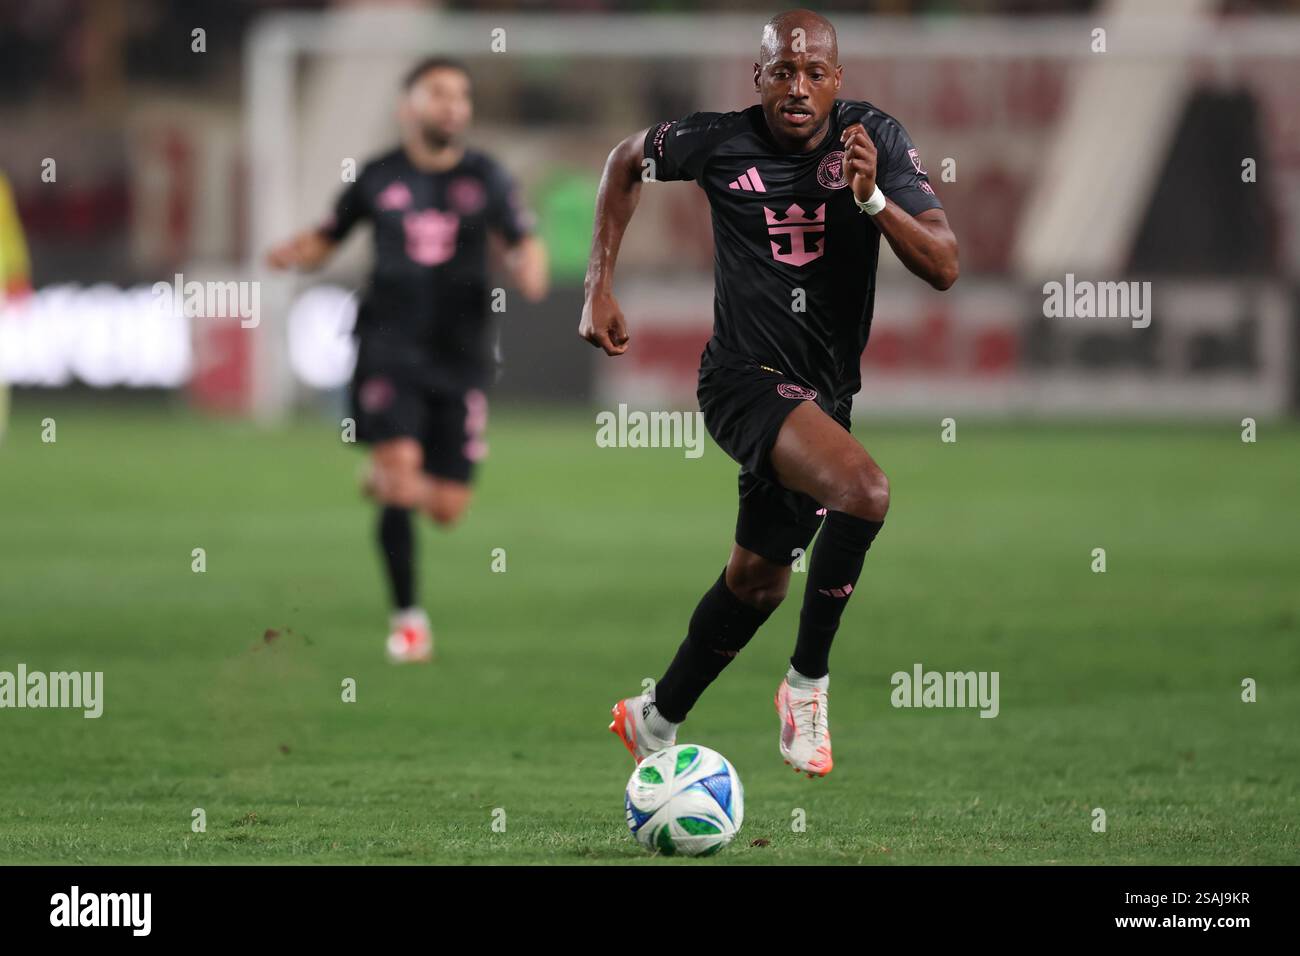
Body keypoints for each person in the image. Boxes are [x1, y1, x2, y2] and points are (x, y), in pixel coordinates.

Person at [581, 10, 958, 775]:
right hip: (741, 382)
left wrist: (876, 201)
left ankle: (656, 718)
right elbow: (625, 159)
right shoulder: (718, 141)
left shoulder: (873, 141)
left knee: (756, 583)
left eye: (814, 72)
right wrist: (598, 284)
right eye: (781, 72)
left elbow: (945, 265)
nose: (797, 87)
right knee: (866, 489)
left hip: (821, 400)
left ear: (837, 80)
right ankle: (806, 686)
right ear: (757, 80)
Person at [269, 57, 548, 662]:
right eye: (439, 93)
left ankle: (388, 478)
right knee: (402, 477)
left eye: (461, 95)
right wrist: (299, 252)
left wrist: (530, 267)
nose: (453, 105)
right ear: (409, 108)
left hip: (461, 353)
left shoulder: (488, 176)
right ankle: (409, 620)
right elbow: (329, 234)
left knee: (446, 508)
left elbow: (524, 239)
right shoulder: (377, 176)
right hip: (388, 346)